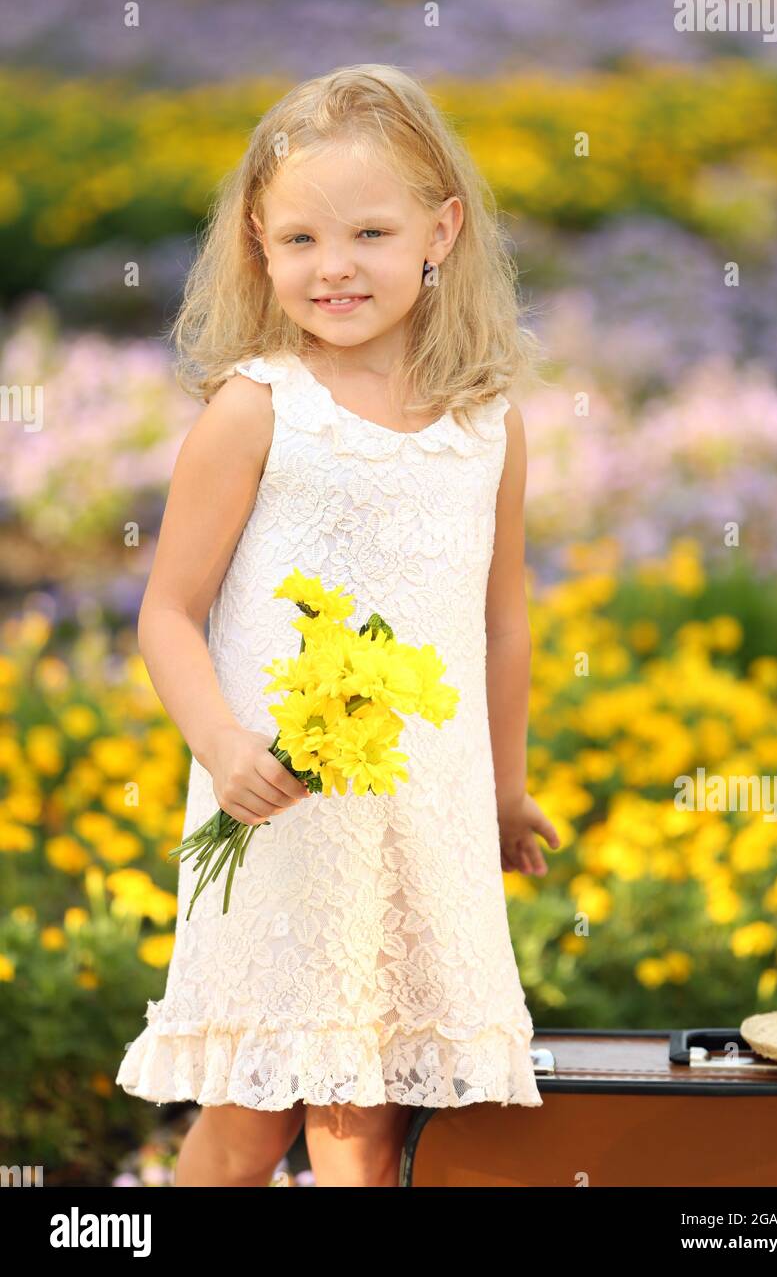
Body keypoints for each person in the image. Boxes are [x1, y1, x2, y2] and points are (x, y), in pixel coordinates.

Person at [115, 62, 559, 1187]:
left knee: (362, 1108)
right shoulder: (258, 408)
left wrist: (503, 794)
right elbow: (168, 610)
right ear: (258, 245)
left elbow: (500, 622)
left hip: (424, 810)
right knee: (261, 1113)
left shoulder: (484, 426)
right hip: (283, 809)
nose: (334, 266)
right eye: (300, 239)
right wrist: (223, 747)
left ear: (440, 229)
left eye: (368, 230)